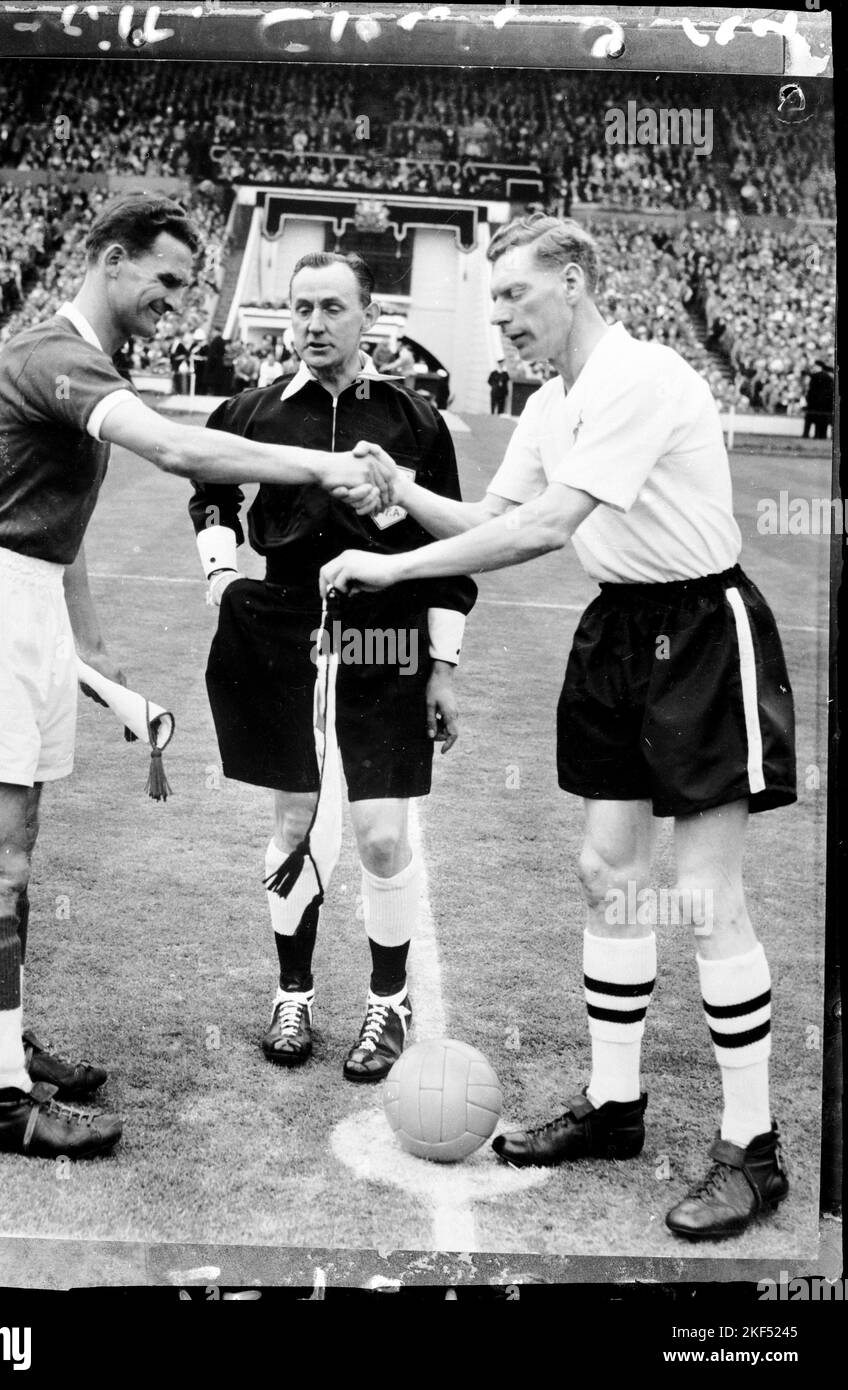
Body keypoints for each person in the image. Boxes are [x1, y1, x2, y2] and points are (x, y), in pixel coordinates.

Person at [322, 214, 797, 1240]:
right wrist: (403, 492)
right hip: (617, 632)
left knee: (704, 893)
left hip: (699, 628)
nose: (500, 322)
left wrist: (388, 564)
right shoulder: (549, 403)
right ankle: (615, 1107)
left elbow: (542, 530)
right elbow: (488, 519)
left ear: (573, 281)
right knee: (605, 870)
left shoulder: (640, 376)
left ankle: (750, 1149)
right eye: (490, 303)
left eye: (514, 299)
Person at [0, 195, 393, 1162]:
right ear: (113, 262)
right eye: (164, 281)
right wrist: (323, 467)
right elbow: (176, 447)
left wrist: (94, 644)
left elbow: (51, 523)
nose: (175, 302)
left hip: (22, 608)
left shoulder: (81, 364)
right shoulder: (54, 354)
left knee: (16, 853)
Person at [188, 250, 476, 1082]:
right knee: (294, 820)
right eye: (300, 308)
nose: (312, 325)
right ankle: (294, 995)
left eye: (331, 309)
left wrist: (444, 665)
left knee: (383, 836)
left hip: (386, 638)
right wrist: (218, 570)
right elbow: (210, 490)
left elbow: (450, 546)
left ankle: (388, 1004)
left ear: (368, 318)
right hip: (282, 631)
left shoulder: (415, 421)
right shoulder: (250, 410)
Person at [802, 359, 833, 440]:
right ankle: (820, 436)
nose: (813, 368)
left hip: (814, 405)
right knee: (822, 425)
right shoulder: (828, 377)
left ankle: (807, 436)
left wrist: (808, 401)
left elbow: (811, 392)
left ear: (818, 367)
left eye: (814, 366)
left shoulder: (814, 377)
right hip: (825, 406)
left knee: (810, 422)